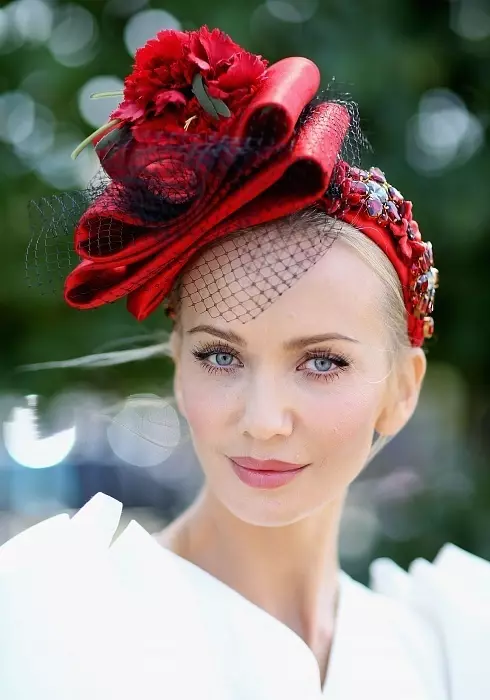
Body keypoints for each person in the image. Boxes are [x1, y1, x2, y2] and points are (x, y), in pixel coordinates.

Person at [2, 24, 489, 700]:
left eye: (322, 363)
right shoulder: (54, 631)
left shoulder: (445, 647)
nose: (262, 422)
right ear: (177, 362)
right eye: (220, 355)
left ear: (402, 389)